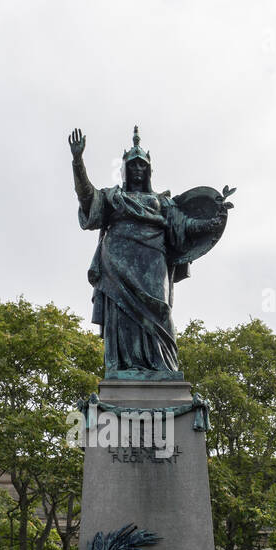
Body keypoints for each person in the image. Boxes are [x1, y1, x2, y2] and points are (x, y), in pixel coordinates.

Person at [70, 126, 228, 377]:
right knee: (122, 315)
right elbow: (87, 198)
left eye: (142, 165)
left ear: (149, 170)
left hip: (154, 260)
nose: (137, 169)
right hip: (117, 261)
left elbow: (184, 226)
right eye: (133, 165)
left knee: (159, 311)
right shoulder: (114, 196)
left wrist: (214, 221)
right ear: (124, 169)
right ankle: (124, 368)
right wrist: (78, 163)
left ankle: (162, 367)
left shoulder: (163, 201)